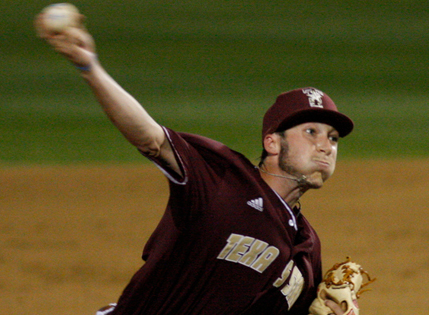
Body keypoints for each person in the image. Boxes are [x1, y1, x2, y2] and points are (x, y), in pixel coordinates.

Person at [36, 12, 356, 315]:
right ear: (272, 142)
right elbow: (150, 138)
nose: (325, 146)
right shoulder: (223, 178)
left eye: (332, 138)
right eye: (311, 132)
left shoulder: (307, 248)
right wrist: (90, 67)